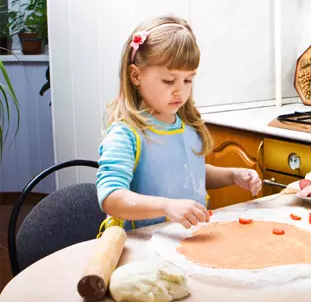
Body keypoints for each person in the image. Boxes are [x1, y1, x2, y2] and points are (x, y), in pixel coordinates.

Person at [95, 15, 262, 234]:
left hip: (190, 239)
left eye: (188, 80)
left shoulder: (188, 126)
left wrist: (232, 175)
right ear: (135, 76)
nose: (180, 91)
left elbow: (190, 173)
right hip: (144, 249)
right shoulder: (126, 134)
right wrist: (166, 206)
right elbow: (111, 197)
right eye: (168, 80)